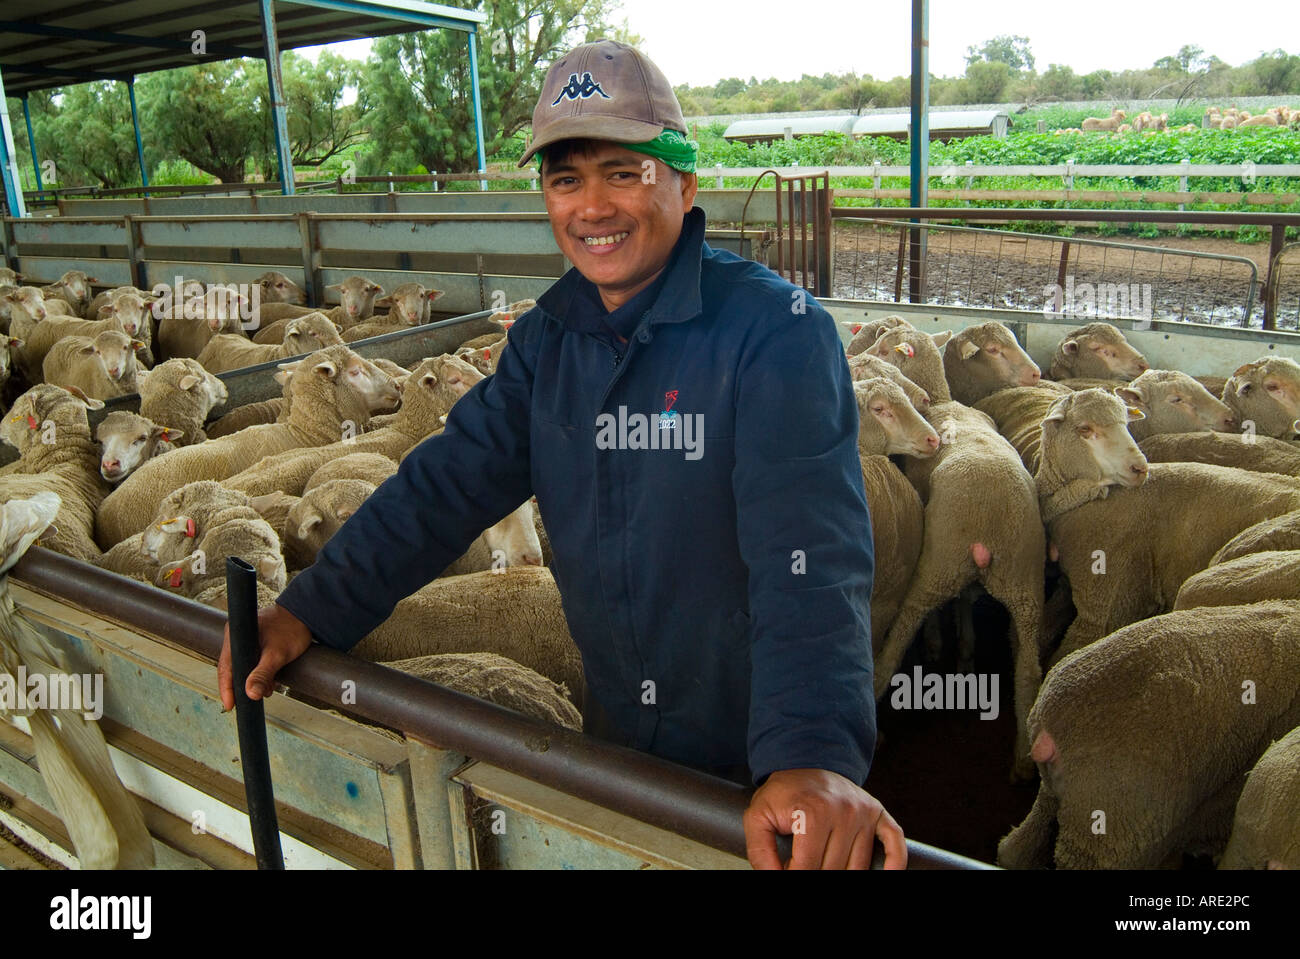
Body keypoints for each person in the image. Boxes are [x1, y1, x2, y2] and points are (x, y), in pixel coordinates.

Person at [218, 38, 905, 871]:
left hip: (754, 758)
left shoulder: (773, 335)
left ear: (684, 183)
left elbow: (810, 554)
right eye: (565, 178)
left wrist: (810, 753)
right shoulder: (547, 342)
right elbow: (443, 485)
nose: (593, 206)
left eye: (624, 172)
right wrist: (308, 609)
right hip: (617, 733)